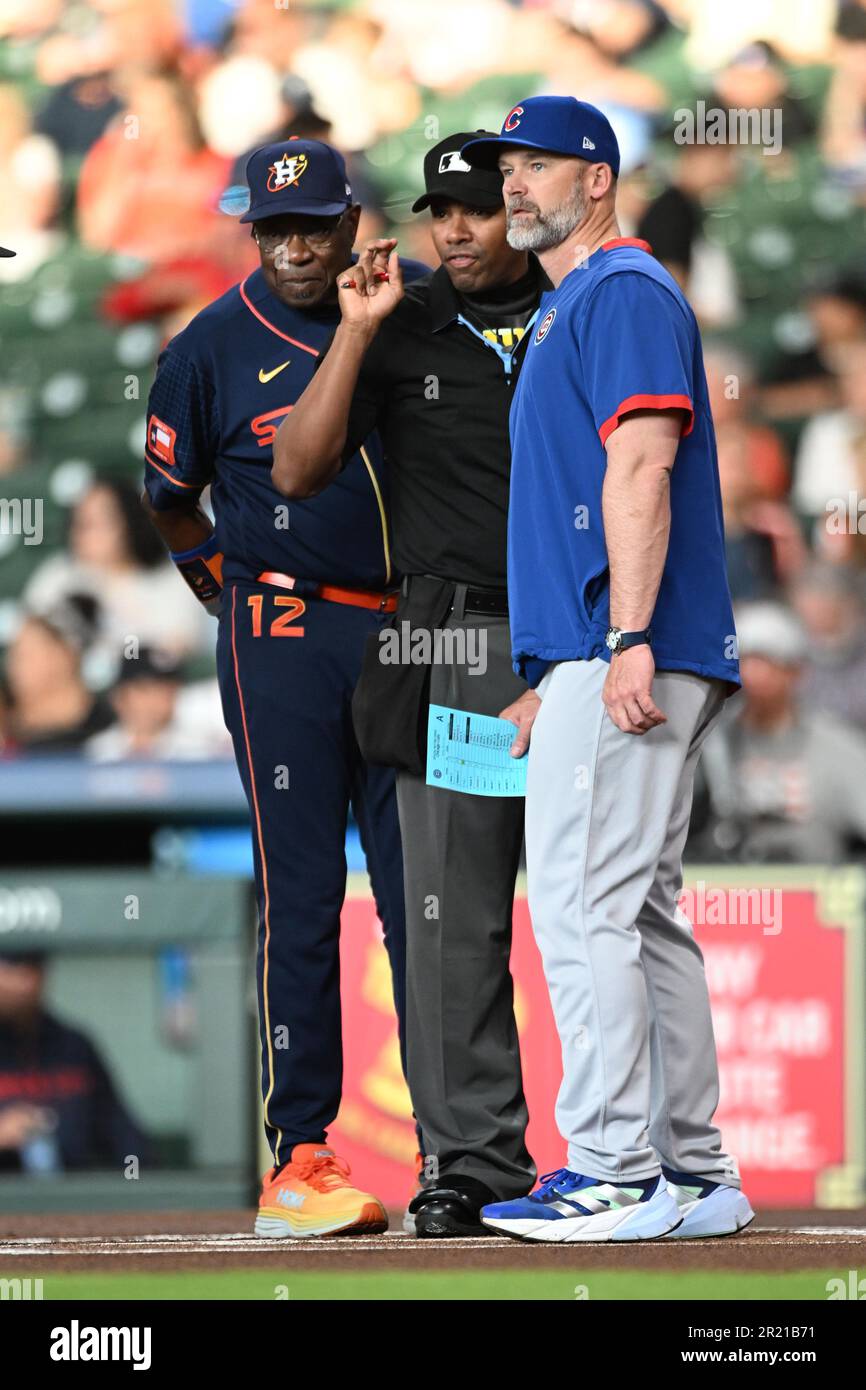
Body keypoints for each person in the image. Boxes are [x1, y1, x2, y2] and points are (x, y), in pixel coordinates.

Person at [458, 96, 753, 1242]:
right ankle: (691, 1172)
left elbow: (641, 465)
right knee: (641, 910)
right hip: (608, 647)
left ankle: (614, 1169)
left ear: (596, 178)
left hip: (625, 645)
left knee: (584, 905)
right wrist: (562, 663)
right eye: (505, 168)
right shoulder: (587, 297)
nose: (511, 184)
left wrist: (621, 637)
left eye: (533, 165)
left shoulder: (620, 287)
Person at [141, 138, 428, 1239]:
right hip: (287, 629)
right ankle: (301, 1155)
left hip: (410, 631)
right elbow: (171, 495)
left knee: (426, 897)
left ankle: (460, 1146)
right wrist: (223, 587)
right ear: (249, 231)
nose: (298, 246)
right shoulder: (208, 345)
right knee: (303, 896)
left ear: (353, 220)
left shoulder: (414, 314)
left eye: (315, 223)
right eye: (277, 228)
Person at [272, 133, 548, 1236]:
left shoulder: (581, 305)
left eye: (476, 209)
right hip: (459, 648)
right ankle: (475, 1163)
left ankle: (643, 1157)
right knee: (452, 920)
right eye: (441, 211)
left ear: (517, 211)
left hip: (581, 648)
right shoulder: (404, 323)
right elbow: (296, 470)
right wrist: (353, 332)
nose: (453, 230)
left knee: (601, 911)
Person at [701, 601, 866, 864]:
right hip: (731, 894)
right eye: (746, 662)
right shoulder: (710, 745)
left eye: (767, 662)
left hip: (817, 890)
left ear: (795, 671)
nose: (755, 675)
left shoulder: (837, 745)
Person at [0, 952, 148, 1174]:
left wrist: (140, 1185)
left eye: (33, 965)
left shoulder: (73, 1045)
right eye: (11, 965)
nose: (24, 978)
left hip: (73, 1195)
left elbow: (123, 1134)